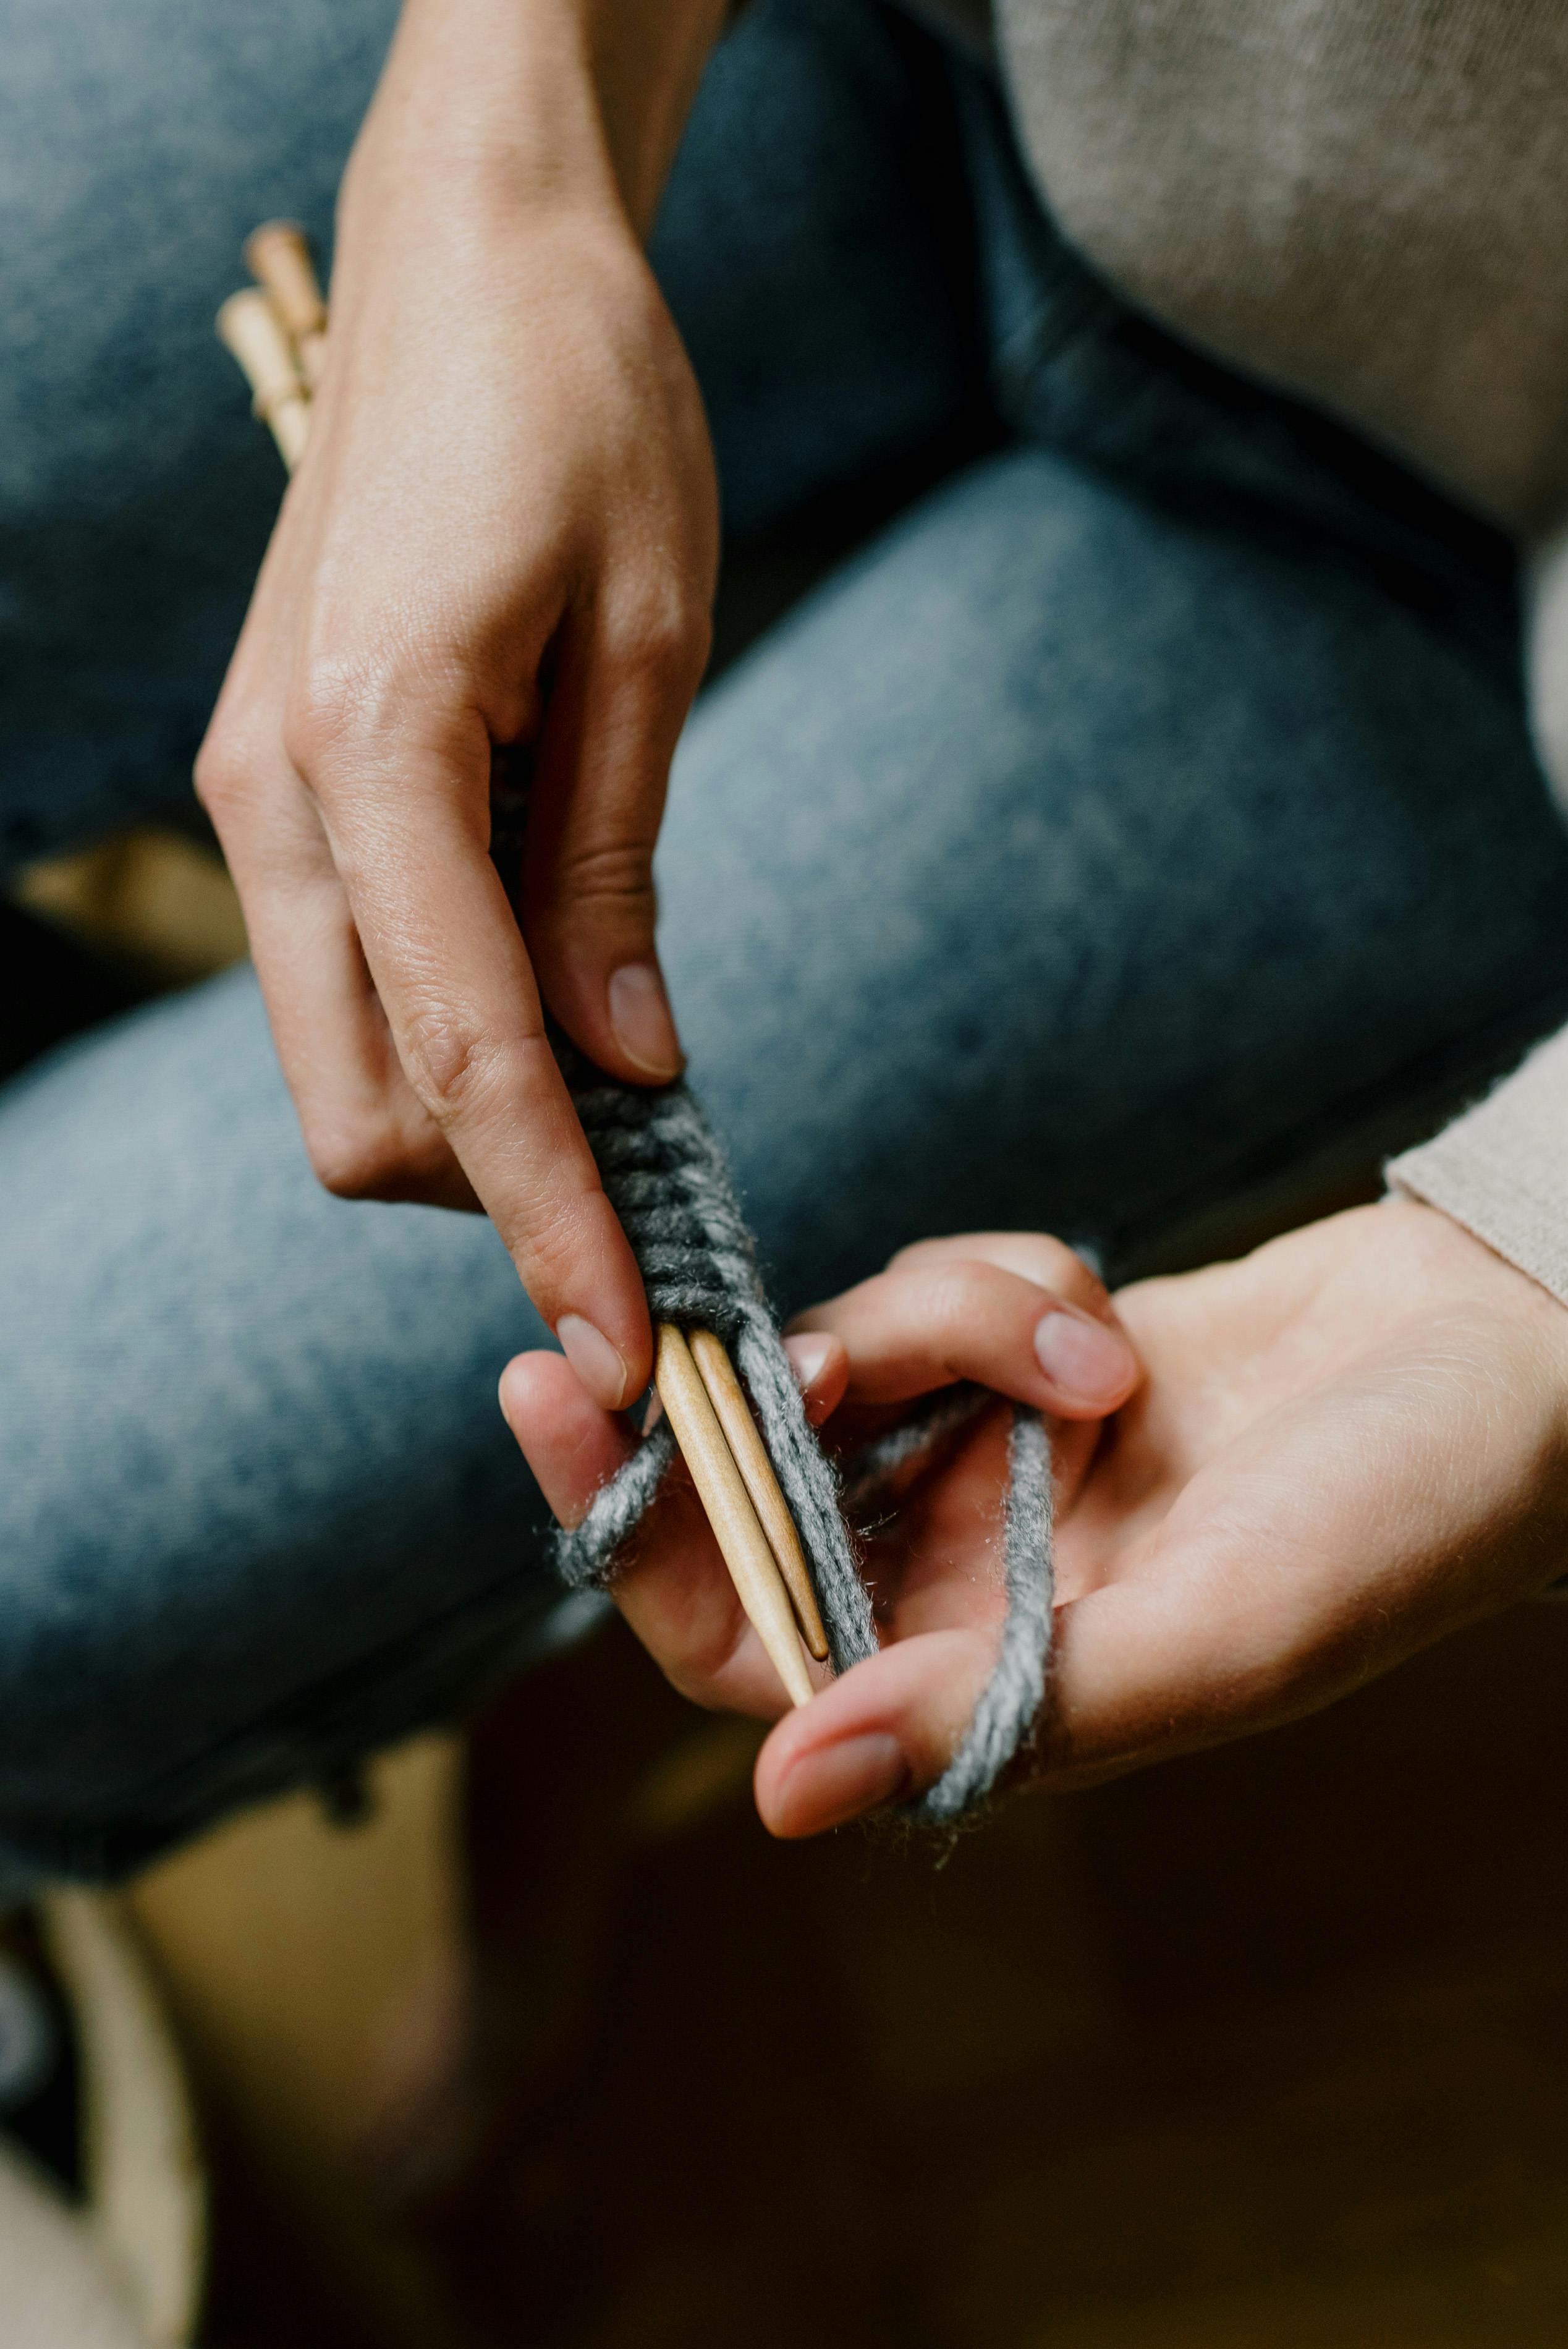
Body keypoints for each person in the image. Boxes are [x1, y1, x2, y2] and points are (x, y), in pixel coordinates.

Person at [5, 0, 1568, 1890]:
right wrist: (497, 150)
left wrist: (1533, 1265)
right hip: (888, 39)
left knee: (36, 1564)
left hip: (1457, 581)